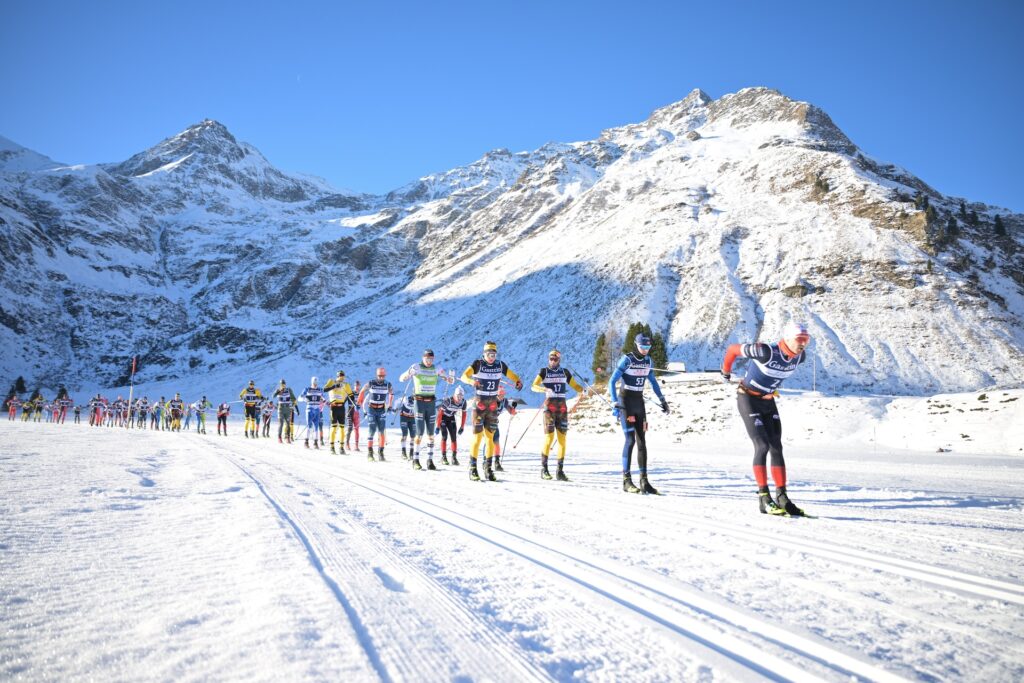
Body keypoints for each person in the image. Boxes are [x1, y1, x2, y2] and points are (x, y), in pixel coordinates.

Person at [721, 321, 811, 516]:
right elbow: (732, 350)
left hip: (768, 401)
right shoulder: (765, 352)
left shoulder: (800, 357)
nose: (803, 344)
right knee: (762, 446)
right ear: (787, 338)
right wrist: (725, 370)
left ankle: (782, 497)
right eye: (799, 339)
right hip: (748, 398)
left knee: (776, 447)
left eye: (806, 340)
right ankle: (763, 497)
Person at [609, 333, 669, 495]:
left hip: (639, 403)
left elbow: (653, 382)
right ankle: (626, 480)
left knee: (642, 441)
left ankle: (644, 480)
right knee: (630, 440)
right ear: (636, 345)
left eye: (648, 347)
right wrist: (615, 402)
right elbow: (612, 381)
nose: (645, 350)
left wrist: (663, 401)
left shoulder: (648, 361)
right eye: (643, 347)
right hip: (625, 402)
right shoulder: (627, 360)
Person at [460, 341, 523, 482]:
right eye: (489, 354)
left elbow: (512, 375)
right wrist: (471, 382)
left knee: (490, 439)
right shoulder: (478, 364)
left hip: (492, 406)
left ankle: (488, 468)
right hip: (480, 405)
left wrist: (518, 381)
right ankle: (473, 468)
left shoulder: (500, 365)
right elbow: (464, 376)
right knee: (477, 438)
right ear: (484, 354)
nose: (491, 357)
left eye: (494, 354)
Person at [531, 349, 588, 481]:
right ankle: (544, 469)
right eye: (551, 358)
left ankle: (560, 471)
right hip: (549, 407)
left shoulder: (564, 372)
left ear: (559, 360)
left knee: (562, 440)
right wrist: (544, 389)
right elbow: (533, 386)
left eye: (555, 359)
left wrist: (583, 390)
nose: (553, 361)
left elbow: (575, 386)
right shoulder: (544, 371)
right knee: (549, 438)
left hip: (562, 407)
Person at [400, 349, 453, 470]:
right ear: (422, 358)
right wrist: (409, 374)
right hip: (419, 402)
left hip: (431, 402)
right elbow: (401, 378)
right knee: (419, 433)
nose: (429, 361)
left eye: (431, 359)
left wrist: (449, 379)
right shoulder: (416, 366)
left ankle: (430, 460)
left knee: (430, 434)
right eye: (427, 359)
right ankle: (416, 460)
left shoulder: (437, 368)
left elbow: (447, 378)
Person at [358, 368, 393, 462]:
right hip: (371, 409)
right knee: (372, 430)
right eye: (379, 376)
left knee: (382, 431)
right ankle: (370, 453)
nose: (381, 378)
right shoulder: (371, 383)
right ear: (376, 375)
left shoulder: (388, 384)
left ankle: (381, 452)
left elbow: (391, 394)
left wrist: (390, 405)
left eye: (382, 376)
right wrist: (359, 403)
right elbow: (362, 391)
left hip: (381, 409)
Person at [323, 370, 356, 454]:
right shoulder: (331, 381)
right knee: (334, 427)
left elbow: (351, 395)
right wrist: (334, 386)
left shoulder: (346, 385)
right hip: (333, 407)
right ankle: (332, 447)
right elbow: (324, 389)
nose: (341, 378)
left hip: (341, 407)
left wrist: (352, 404)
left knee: (342, 428)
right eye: (340, 376)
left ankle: (341, 447)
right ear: (337, 376)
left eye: (343, 376)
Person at [434, 385, 467, 466]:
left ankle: (454, 458)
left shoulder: (463, 402)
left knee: (453, 437)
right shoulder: (448, 400)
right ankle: (444, 457)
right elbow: (440, 413)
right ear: (454, 395)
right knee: (444, 436)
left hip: (451, 417)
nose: (459, 398)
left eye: (461, 396)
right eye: (458, 396)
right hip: (442, 417)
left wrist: (462, 426)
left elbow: (464, 414)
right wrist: (438, 426)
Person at [490, 386, 519, 472]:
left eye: (503, 395)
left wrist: (513, 408)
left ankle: (497, 463)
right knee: (489, 442)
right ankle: (486, 461)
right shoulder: (491, 399)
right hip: (487, 422)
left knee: (496, 443)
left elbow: (511, 412)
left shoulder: (504, 401)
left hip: (494, 423)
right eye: (500, 395)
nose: (502, 396)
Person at [300, 376, 328, 449]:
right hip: (309, 409)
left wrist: (326, 401)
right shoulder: (307, 389)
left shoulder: (320, 390)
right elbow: (300, 397)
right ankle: (306, 442)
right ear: (311, 382)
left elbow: (325, 397)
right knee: (309, 426)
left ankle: (315, 442)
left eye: (316, 383)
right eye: (313, 383)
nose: (315, 384)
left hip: (317, 410)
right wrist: (304, 399)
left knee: (316, 427)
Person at [398, 394, 417, 460]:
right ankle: (403, 452)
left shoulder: (418, 401)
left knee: (413, 436)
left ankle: (411, 453)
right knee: (405, 434)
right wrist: (393, 407)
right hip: (404, 417)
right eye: (414, 396)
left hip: (412, 419)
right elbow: (398, 400)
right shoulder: (406, 399)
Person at [345, 380, 362, 451]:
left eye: (358, 386)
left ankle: (356, 446)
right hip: (350, 412)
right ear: (354, 386)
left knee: (357, 429)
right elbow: (344, 401)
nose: (357, 387)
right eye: (356, 386)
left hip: (356, 413)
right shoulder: (350, 393)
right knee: (349, 428)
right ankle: (347, 444)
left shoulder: (361, 394)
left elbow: (361, 403)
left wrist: (359, 406)